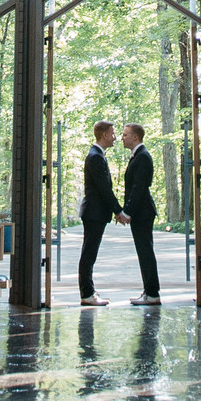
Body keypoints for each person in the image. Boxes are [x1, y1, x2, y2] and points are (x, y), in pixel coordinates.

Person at [76, 120, 120, 306]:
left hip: (95, 212)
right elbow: (104, 189)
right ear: (104, 135)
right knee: (89, 254)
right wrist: (119, 211)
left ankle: (89, 292)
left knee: (89, 253)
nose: (115, 137)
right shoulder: (95, 157)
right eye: (113, 133)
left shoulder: (97, 155)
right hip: (94, 212)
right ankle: (87, 294)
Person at [121, 122, 160, 304]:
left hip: (143, 212)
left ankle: (152, 294)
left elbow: (138, 188)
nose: (122, 137)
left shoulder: (142, 157)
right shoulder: (138, 156)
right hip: (141, 212)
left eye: (125, 134)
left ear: (136, 137)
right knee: (144, 251)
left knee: (145, 252)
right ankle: (149, 292)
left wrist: (127, 212)